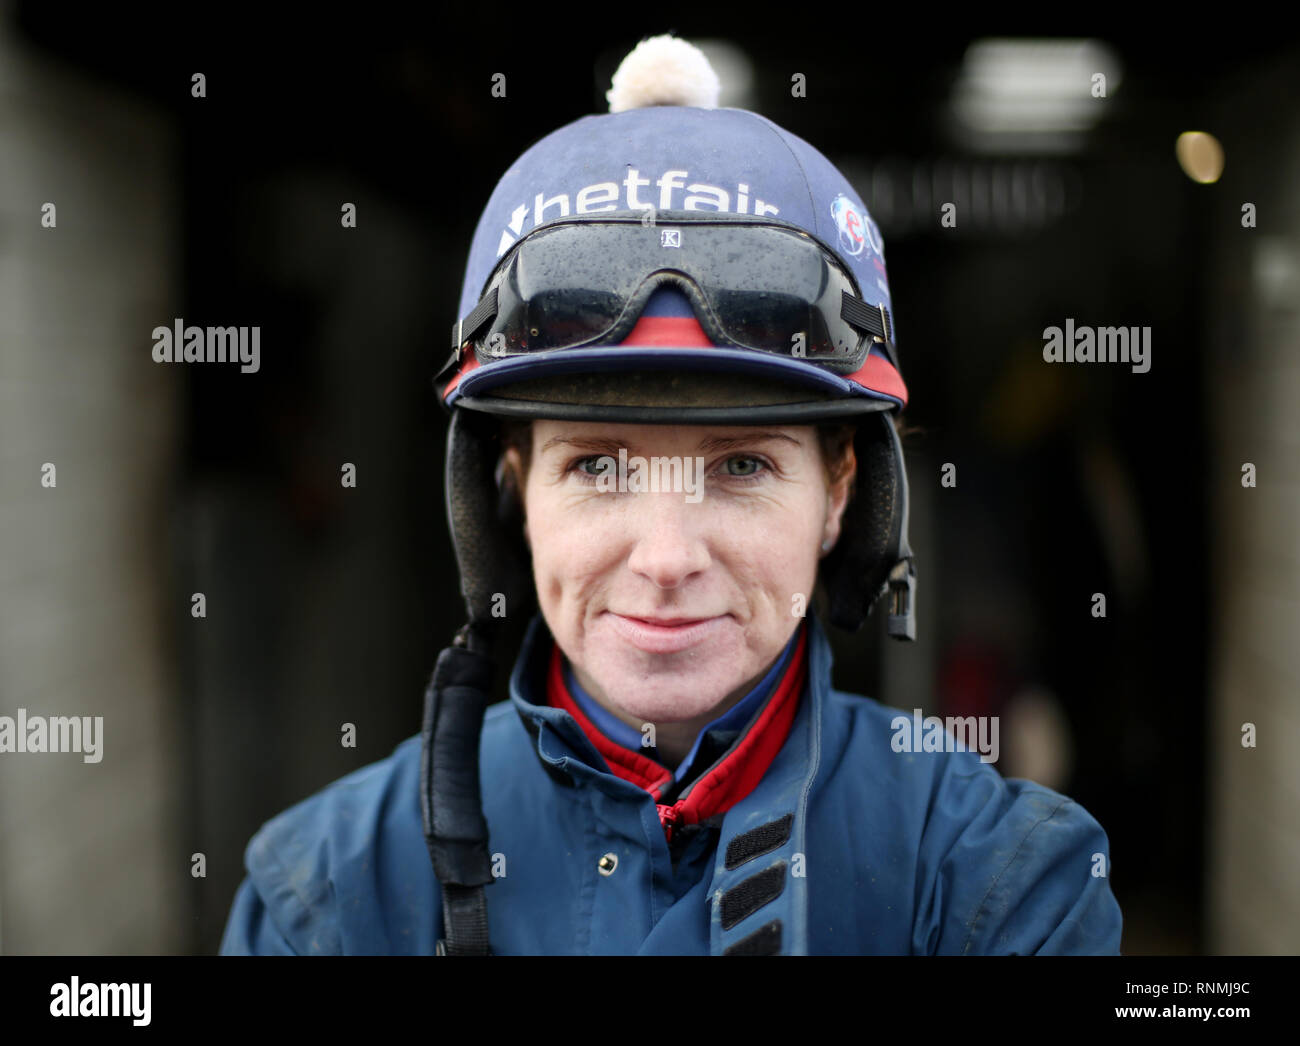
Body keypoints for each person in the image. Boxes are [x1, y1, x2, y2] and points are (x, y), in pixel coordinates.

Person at [219, 35, 1122, 956]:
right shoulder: (325, 895)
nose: (664, 560)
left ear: (842, 495)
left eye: (740, 467)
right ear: (513, 491)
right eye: (598, 467)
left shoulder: (1002, 886)